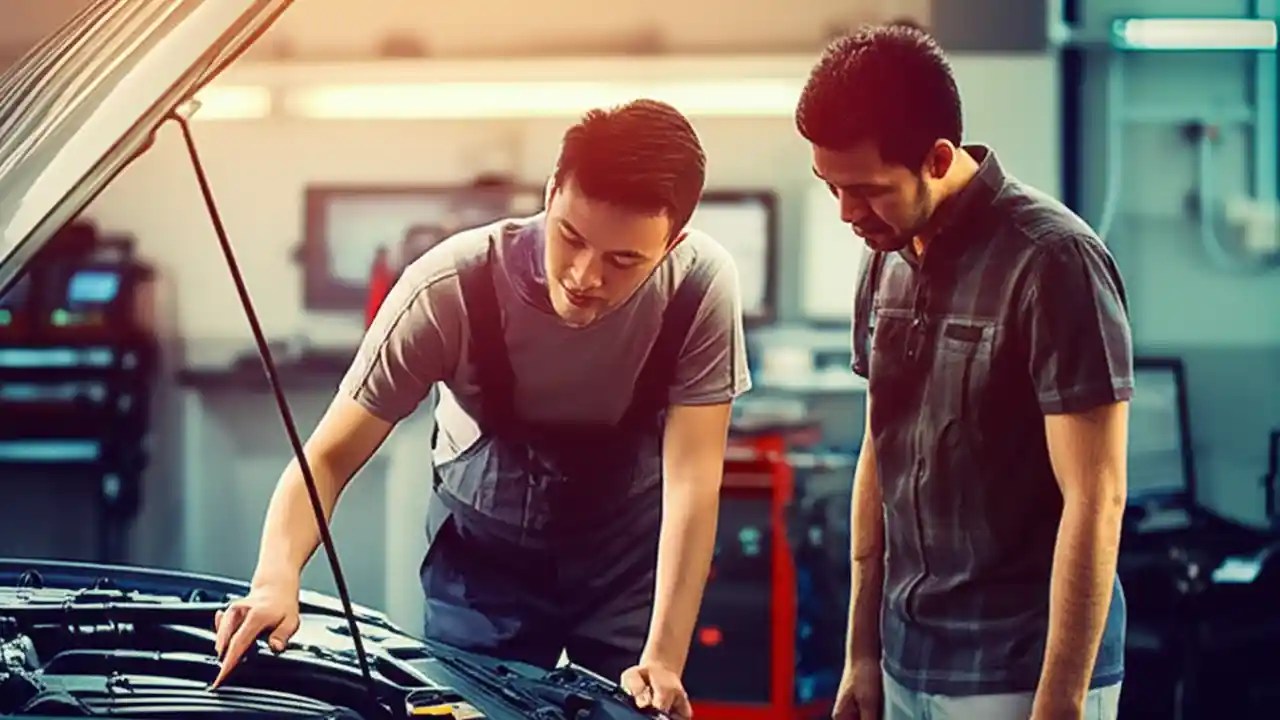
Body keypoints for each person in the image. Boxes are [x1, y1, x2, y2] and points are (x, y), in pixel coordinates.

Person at [210, 99, 752, 719]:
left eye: (623, 260)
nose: (582, 275)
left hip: (627, 565)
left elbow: (693, 484)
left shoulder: (698, 286)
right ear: (551, 194)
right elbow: (327, 459)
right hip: (483, 568)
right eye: (569, 236)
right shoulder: (450, 288)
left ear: (673, 242)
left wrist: (663, 655)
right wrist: (275, 577)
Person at [794, 25, 1132, 720]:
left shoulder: (1054, 262)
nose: (847, 214)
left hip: (1020, 673)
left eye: (866, 190)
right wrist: (861, 654)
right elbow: (877, 454)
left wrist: (1061, 702)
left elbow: (1096, 500)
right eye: (831, 188)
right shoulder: (882, 253)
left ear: (938, 157)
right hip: (904, 660)